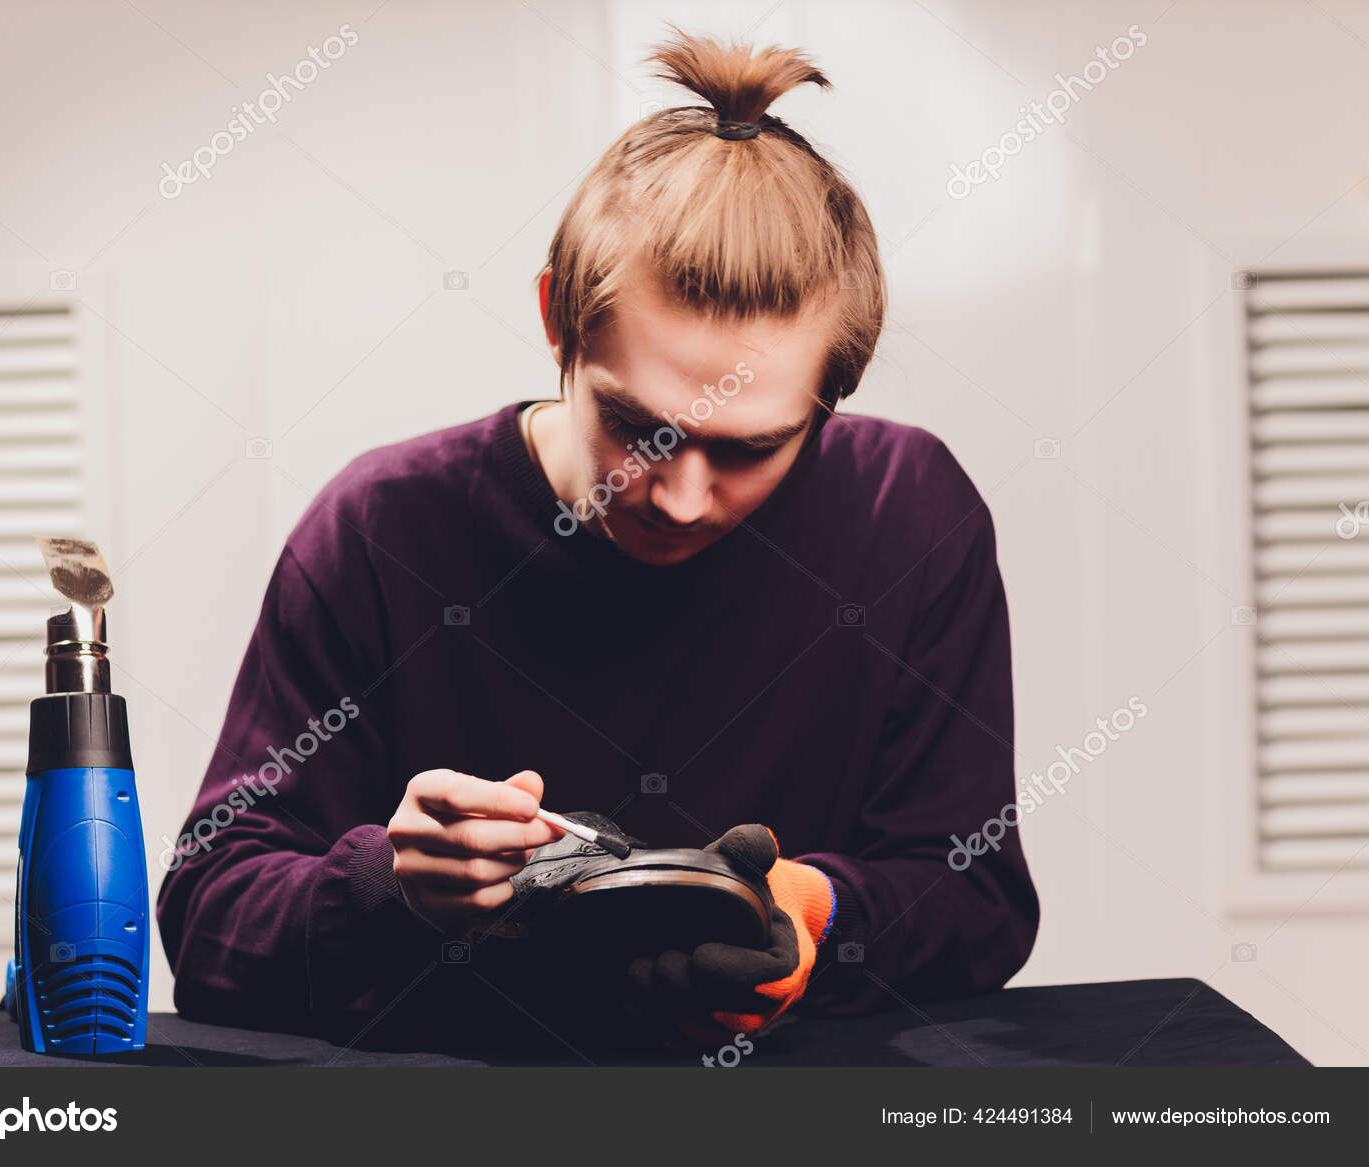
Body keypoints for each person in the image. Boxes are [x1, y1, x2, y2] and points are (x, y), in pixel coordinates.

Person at [155, 26, 1039, 1054]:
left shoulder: (909, 514)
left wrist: (810, 909)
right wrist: (390, 888)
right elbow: (207, 916)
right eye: (635, 426)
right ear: (554, 320)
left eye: (751, 449)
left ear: (833, 395)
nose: (678, 496)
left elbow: (975, 904)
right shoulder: (380, 527)